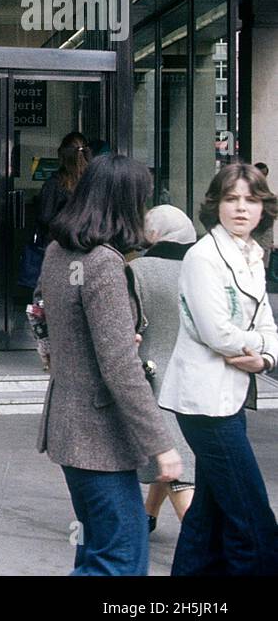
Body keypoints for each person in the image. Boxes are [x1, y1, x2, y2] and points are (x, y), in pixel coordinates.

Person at [36, 153, 181, 575]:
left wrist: (113, 336)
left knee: (99, 549)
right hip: (99, 436)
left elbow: (50, 324)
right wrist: (162, 443)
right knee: (119, 559)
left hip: (69, 423)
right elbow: (120, 367)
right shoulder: (102, 263)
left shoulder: (58, 252)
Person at [159, 163, 278, 575]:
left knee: (207, 520)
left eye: (251, 200)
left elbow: (268, 327)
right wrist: (260, 346)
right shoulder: (202, 256)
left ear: (264, 208)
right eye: (231, 199)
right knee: (254, 524)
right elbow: (218, 334)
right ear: (216, 205)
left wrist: (263, 356)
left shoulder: (254, 255)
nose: (242, 209)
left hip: (231, 396)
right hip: (204, 402)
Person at [128, 206, 197, 532]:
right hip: (196, 374)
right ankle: (149, 514)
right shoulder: (201, 266)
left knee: (176, 467)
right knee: (173, 449)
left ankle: (202, 544)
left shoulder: (137, 268)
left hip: (153, 371)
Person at [36, 132, 90, 246]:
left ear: (61, 155)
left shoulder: (54, 184)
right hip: (87, 245)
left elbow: (45, 217)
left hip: (58, 246)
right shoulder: (93, 182)